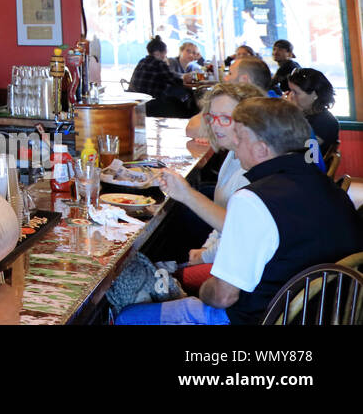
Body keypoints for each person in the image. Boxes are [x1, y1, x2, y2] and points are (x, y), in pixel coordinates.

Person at [116, 97, 363, 324]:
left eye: (240, 137)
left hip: (258, 319)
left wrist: (200, 291)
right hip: (328, 315)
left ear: (262, 149)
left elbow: (223, 297)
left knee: (127, 316)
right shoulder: (331, 188)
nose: (234, 143)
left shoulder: (254, 199)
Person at [159, 83, 262, 292]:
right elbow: (222, 227)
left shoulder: (250, 168)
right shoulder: (233, 154)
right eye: (212, 118)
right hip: (224, 253)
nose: (215, 126)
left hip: (236, 277)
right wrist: (205, 249)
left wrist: (203, 255)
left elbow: (239, 234)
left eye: (225, 118)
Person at [286, 67, 338, 169]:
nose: (290, 96)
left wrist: (291, 113)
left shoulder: (325, 121)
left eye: (296, 92)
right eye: (290, 91)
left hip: (308, 173)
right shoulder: (306, 115)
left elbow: (300, 148)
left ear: (315, 94)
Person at [130, 37, 193, 117]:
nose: (165, 56)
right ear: (157, 53)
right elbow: (173, 81)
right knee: (185, 103)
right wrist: (185, 80)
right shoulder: (159, 64)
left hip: (137, 102)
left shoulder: (142, 61)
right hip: (152, 103)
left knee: (177, 96)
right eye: (164, 53)